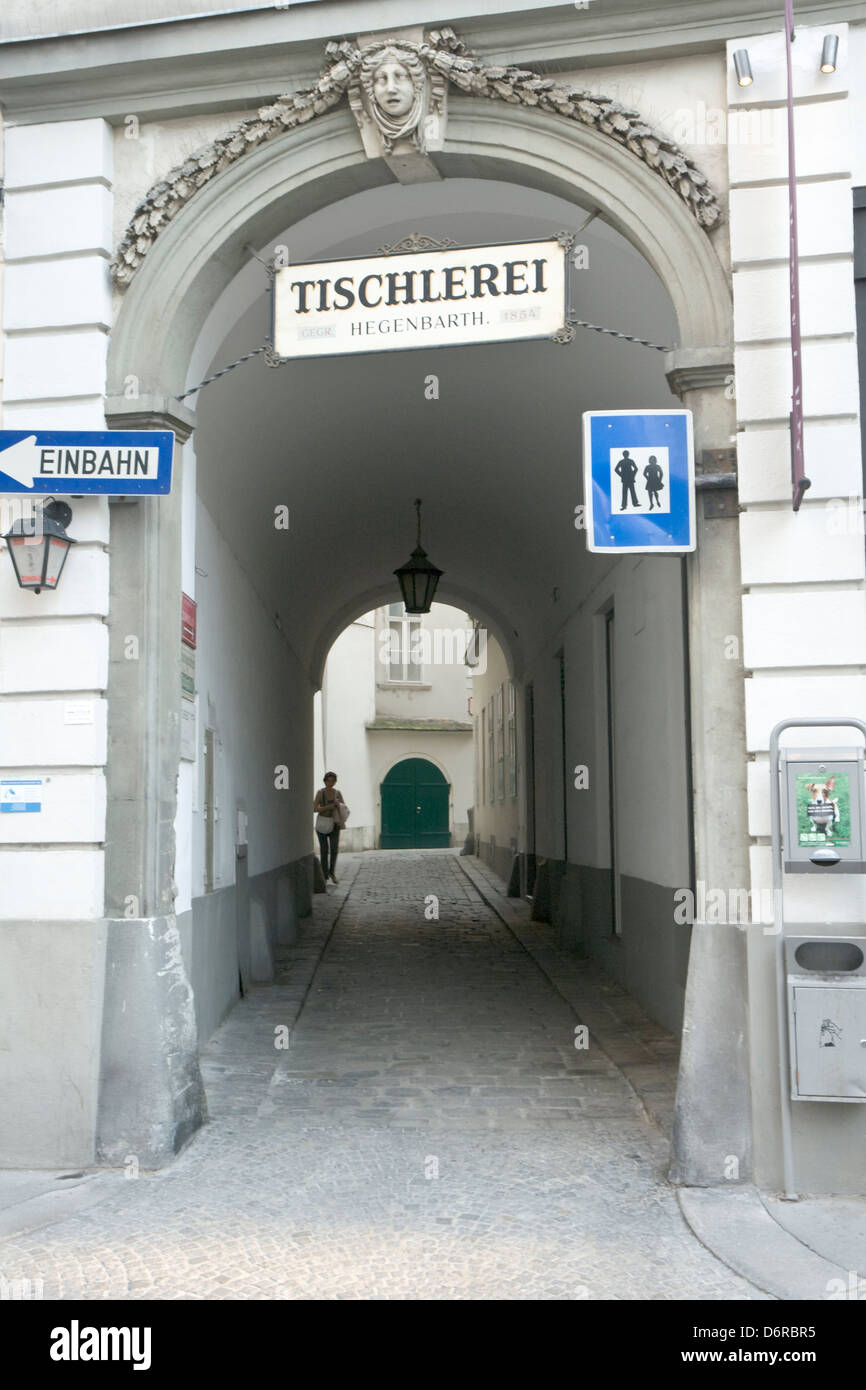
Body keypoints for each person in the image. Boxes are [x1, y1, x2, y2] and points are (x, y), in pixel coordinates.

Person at [313, 771, 345, 884]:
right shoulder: (320, 793)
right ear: (325, 781)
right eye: (328, 780)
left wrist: (341, 819)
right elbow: (314, 808)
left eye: (332, 780)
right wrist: (329, 807)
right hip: (322, 823)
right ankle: (324, 875)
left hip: (335, 824)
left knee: (334, 849)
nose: (330, 783)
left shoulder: (338, 793)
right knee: (324, 849)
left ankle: (332, 873)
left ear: (335, 781)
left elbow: (343, 808)